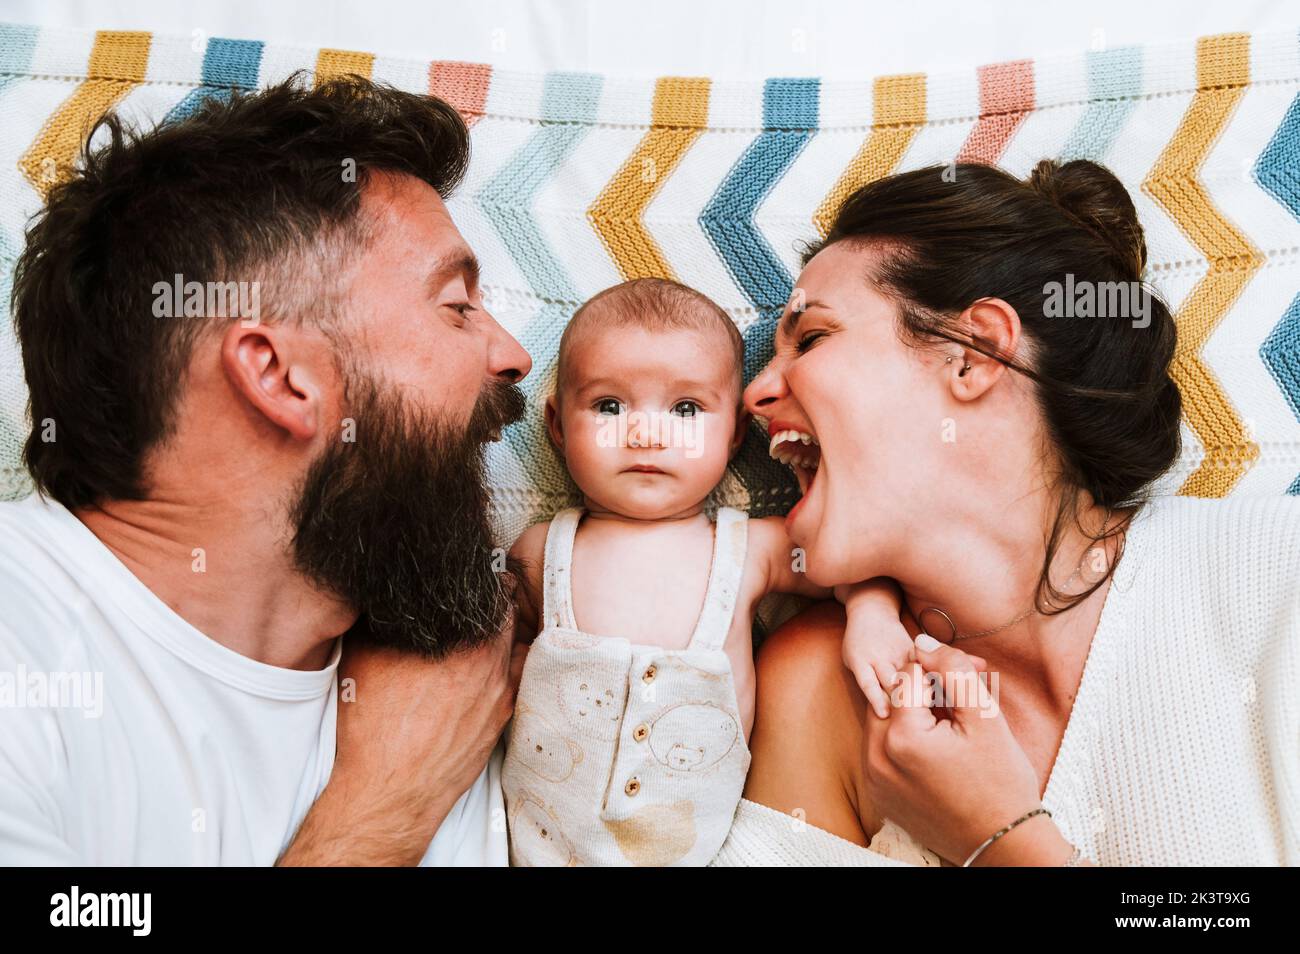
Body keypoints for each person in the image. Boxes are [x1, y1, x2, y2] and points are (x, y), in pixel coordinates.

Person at [0, 76, 532, 865]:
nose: (515, 358)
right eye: (456, 307)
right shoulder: (26, 652)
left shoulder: (453, 684)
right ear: (279, 377)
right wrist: (381, 809)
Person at [712, 159, 1300, 866]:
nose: (753, 395)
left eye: (810, 339)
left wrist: (999, 836)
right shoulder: (820, 690)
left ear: (975, 352)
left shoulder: (1275, 575)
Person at [500, 277, 908, 866]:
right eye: (609, 406)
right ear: (558, 426)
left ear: (734, 433)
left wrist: (871, 615)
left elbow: (849, 566)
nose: (646, 432)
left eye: (686, 408)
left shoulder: (750, 551)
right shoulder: (541, 552)